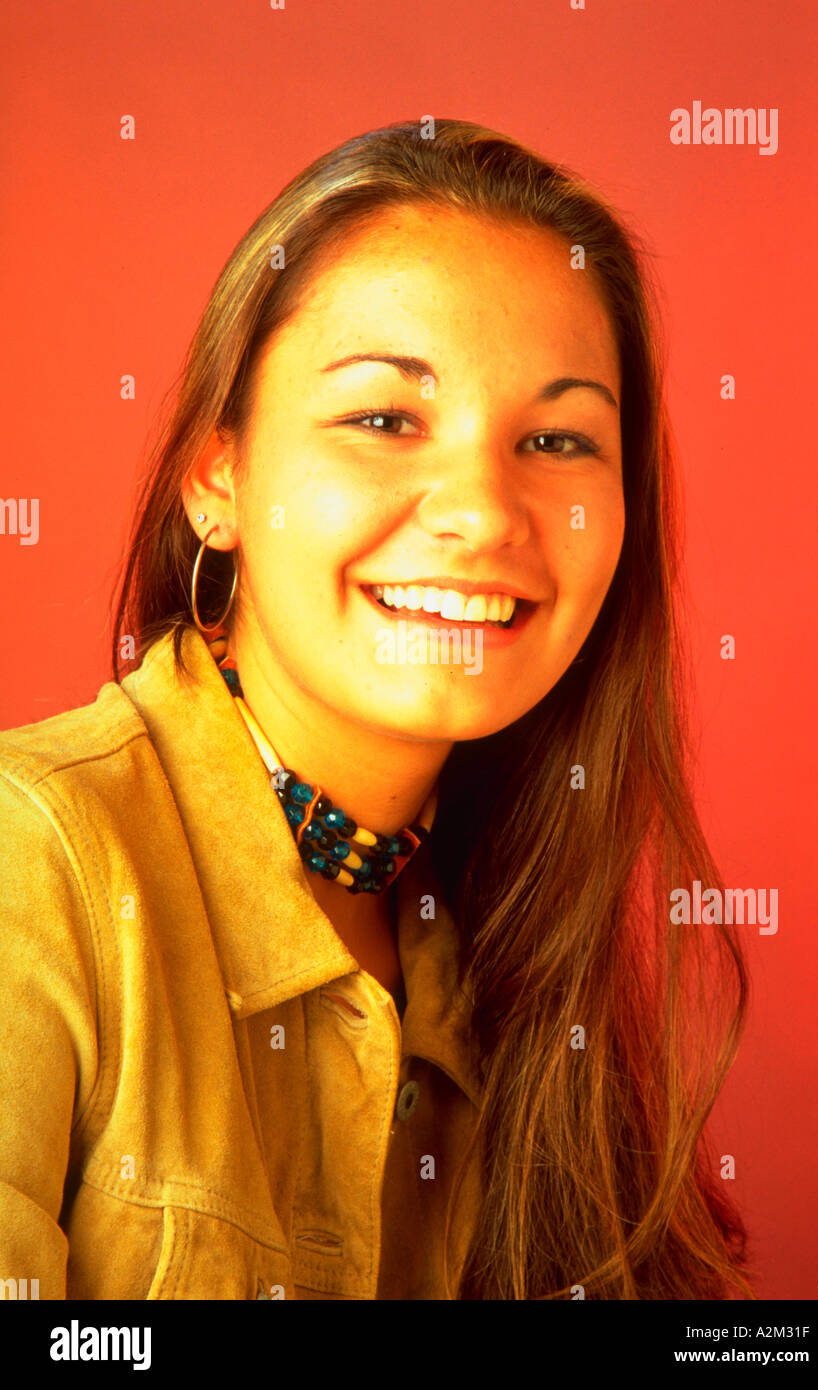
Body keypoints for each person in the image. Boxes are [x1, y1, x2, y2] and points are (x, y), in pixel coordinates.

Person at [0, 118, 754, 1300]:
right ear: (218, 478)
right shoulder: (30, 859)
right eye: (385, 418)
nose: (480, 511)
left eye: (556, 438)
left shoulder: (514, 944)